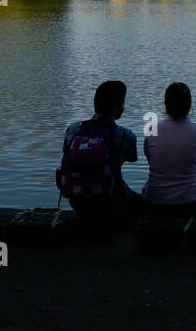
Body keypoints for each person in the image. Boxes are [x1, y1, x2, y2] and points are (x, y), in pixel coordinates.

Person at [58, 80, 141, 224]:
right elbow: (132, 157)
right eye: (122, 103)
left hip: (77, 202)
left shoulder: (73, 129)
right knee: (147, 203)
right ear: (117, 108)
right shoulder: (124, 135)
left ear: (95, 104)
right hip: (110, 202)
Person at [139, 82, 196, 217]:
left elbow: (152, 163)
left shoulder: (151, 129)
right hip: (189, 204)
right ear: (190, 104)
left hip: (154, 203)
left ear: (165, 104)